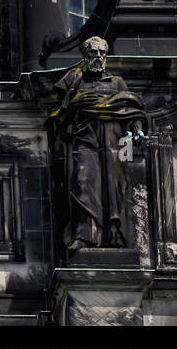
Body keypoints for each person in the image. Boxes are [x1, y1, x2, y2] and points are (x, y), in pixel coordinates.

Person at [48, 36, 147, 255]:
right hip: (86, 141)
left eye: (103, 53)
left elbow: (131, 110)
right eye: (94, 52)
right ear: (85, 55)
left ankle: (116, 235)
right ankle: (84, 236)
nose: (99, 57)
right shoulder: (74, 80)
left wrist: (138, 131)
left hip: (114, 143)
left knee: (114, 189)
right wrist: (73, 104)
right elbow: (57, 119)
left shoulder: (117, 83)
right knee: (84, 183)